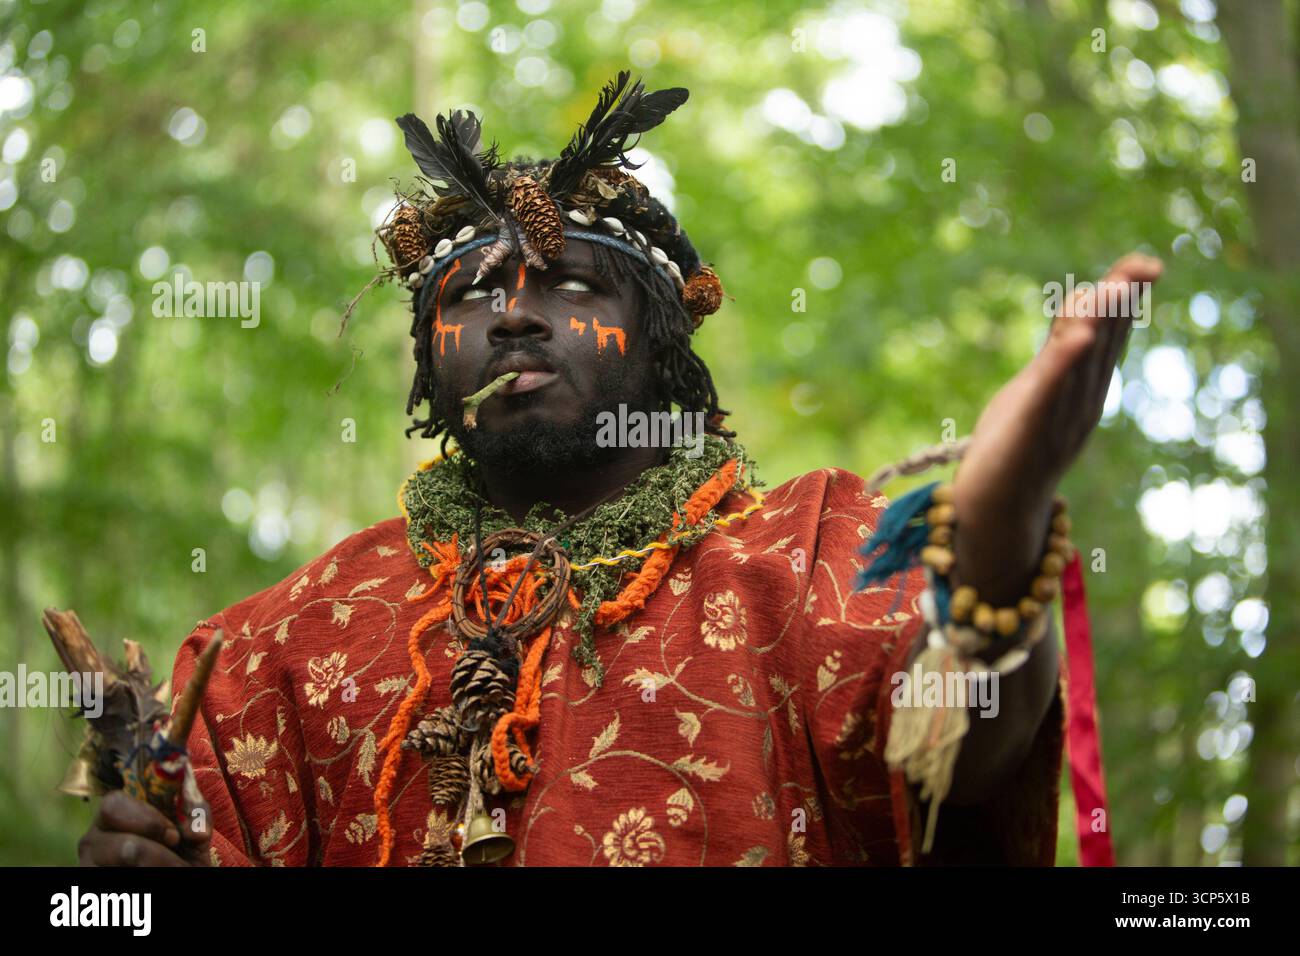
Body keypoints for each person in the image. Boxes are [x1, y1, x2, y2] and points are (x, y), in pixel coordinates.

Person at [77, 70, 1161, 867]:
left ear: (659, 346)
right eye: (467, 298)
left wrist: (998, 537)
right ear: (426, 360)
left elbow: (966, 755)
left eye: (570, 289)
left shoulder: (815, 553)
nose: (510, 315)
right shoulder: (278, 642)